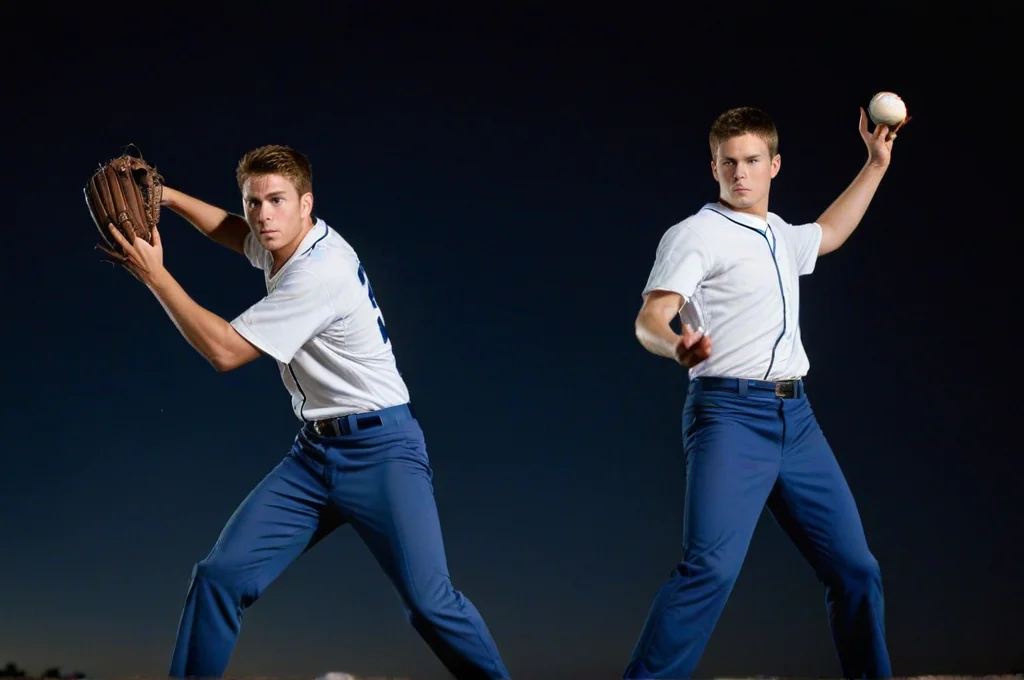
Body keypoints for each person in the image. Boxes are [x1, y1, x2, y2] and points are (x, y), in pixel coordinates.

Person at [105, 144, 511, 680]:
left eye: (276, 200)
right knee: (219, 577)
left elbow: (225, 352)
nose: (263, 215)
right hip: (314, 456)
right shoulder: (285, 240)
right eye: (254, 202)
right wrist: (169, 196)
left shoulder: (319, 273)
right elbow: (234, 233)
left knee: (430, 606)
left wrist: (156, 277)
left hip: (382, 452)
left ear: (306, 203)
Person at [623, 106, 899, 679]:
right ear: (714, 166)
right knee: (709, 570)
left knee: (856, 570)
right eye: (728, 163)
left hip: (797, 422)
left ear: (774, 164)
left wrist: (875, 165)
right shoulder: (696, 233)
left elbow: (828, 234)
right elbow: (651, 317)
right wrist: (676, 346)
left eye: (751, 161)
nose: (739, 174)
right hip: (728, 416)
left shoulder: (777, 234)